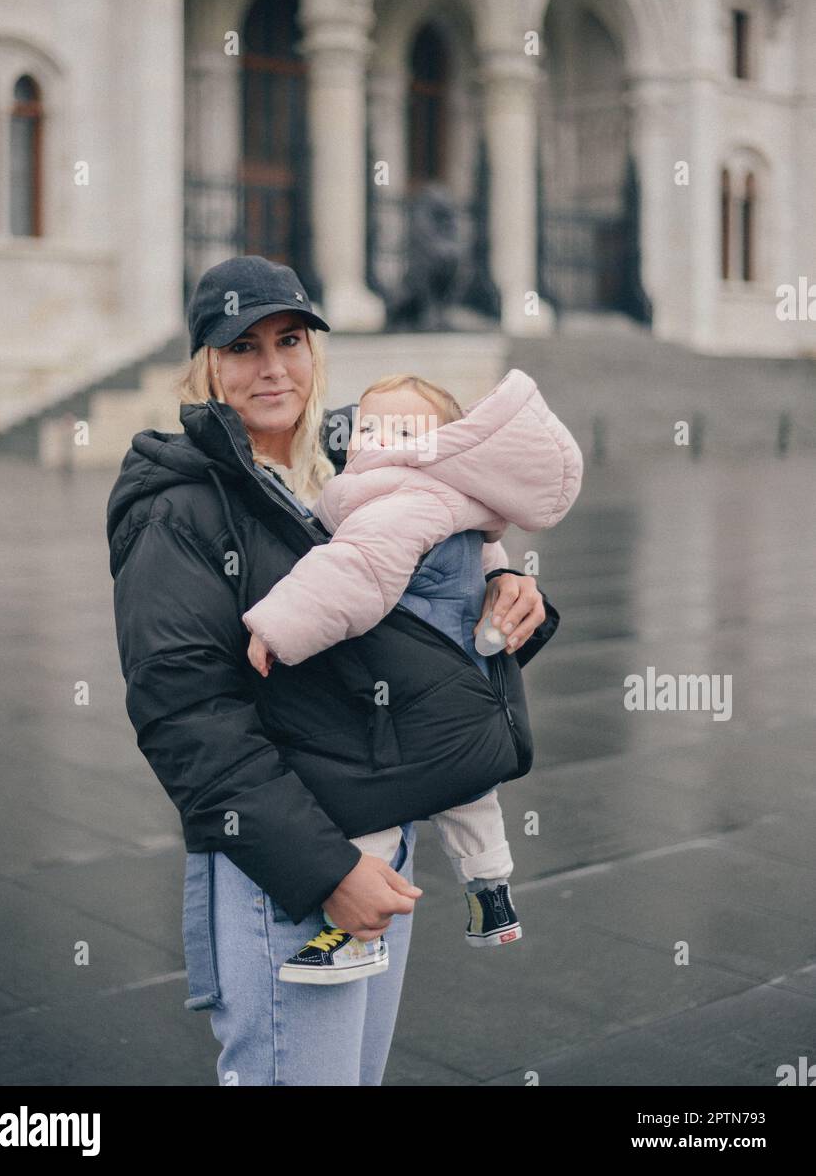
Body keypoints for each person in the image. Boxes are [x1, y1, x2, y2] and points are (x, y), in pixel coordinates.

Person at [106, 255, 560, 1087]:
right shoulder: (177, 505)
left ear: (315, 353)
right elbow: (185, 722)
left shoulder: (343, 472)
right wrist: (328, 872)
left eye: (289, 339)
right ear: (205, 365)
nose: (272, 366)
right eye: (242, 347)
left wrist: (505, 585)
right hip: (288, 863)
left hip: (380, 832)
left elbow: (417, 596)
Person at [242, 369, 582, 983]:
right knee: (469, 798)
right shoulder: (457, 503)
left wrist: (278, 626)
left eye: (400, 429)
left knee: (370, 802)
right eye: (369, 425)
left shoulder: (401, 502)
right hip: (463, 696)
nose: (376, 437)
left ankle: (357, 934)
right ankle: (491, 898)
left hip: (406, 704)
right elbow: (489, 567)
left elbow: (355, 571)